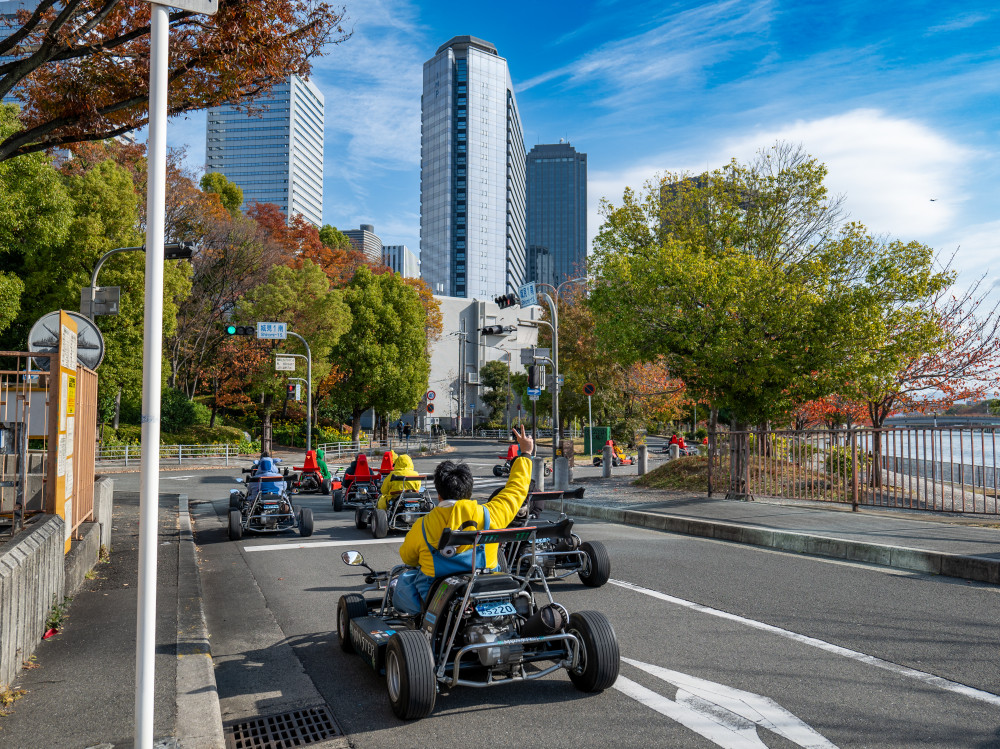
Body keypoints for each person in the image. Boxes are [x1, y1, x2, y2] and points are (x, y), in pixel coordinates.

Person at [393, 425, 534, 615]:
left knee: (404, 580)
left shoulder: (423, 526)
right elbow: (516, 489)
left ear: (439, 494)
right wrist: (525, 453)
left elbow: (407, 557)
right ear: (469, 491)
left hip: (437, 604)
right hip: (485, 593)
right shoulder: (491, 514)